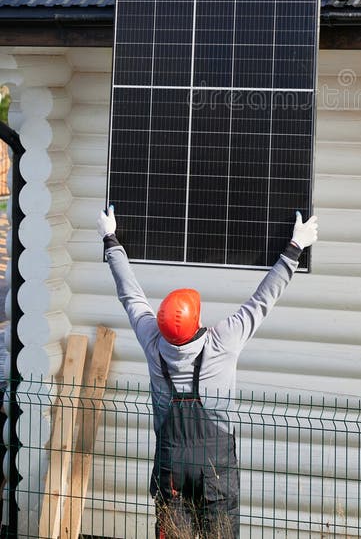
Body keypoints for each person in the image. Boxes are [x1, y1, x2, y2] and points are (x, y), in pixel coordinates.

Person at [97, 205, 318, 539]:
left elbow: (130, 295)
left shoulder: (152, 341)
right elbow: (262, 301)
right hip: (216, 472)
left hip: (171, 469)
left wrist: (110, 239)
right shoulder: (222, 341)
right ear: (197, 320)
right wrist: (295, 247)